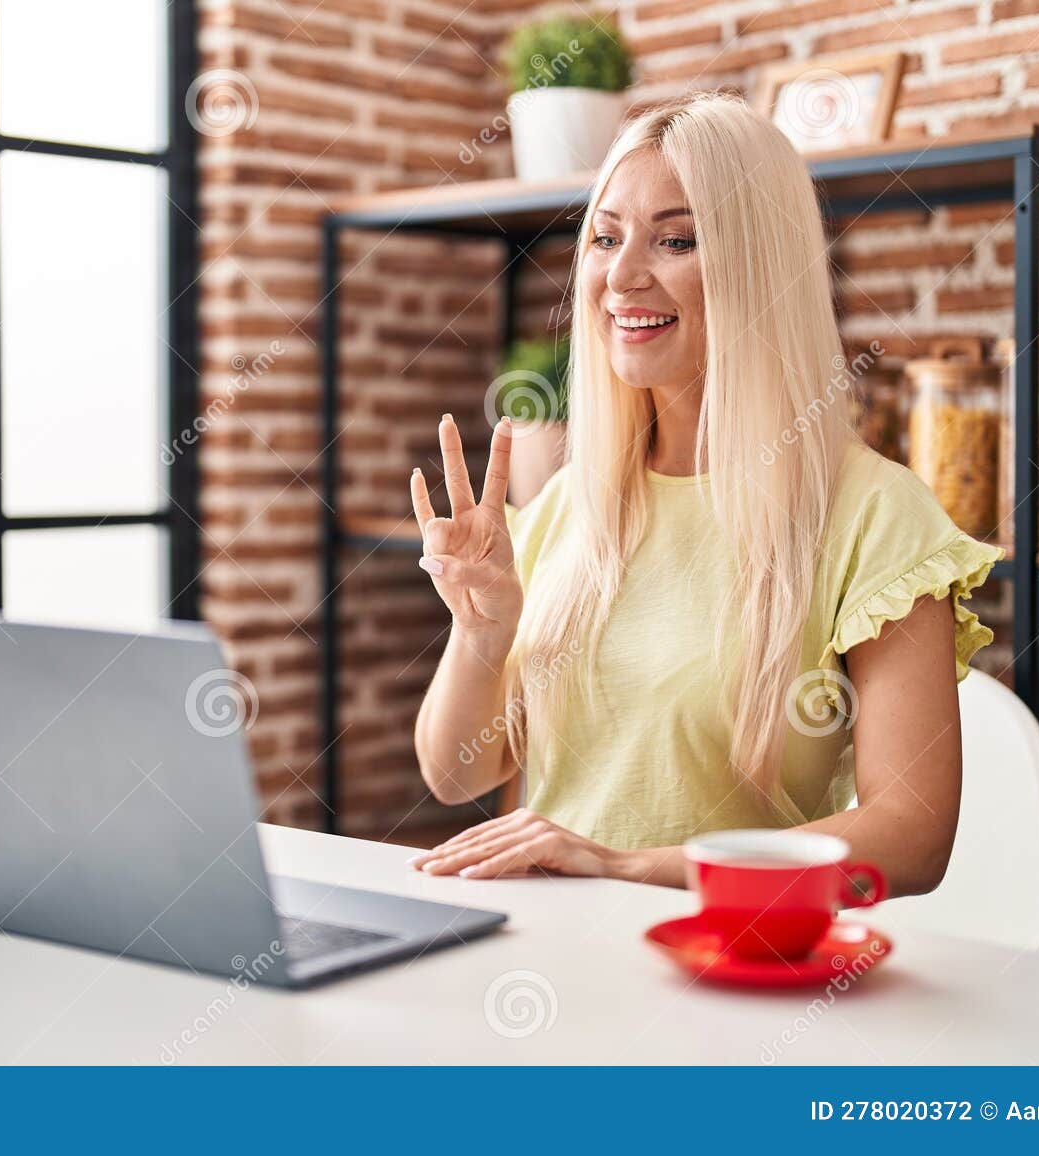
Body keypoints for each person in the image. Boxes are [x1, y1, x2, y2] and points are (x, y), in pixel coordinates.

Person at [406, 92, 1002, 896]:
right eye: (605, 238)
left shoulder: (872, 516)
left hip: (741, 973)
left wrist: (627, 869)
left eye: (677, 239)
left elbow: (914, 833)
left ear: (761, 267)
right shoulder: (566, 509)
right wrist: (481, 637)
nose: (621, 276)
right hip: (555, 966)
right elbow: (454, 775)